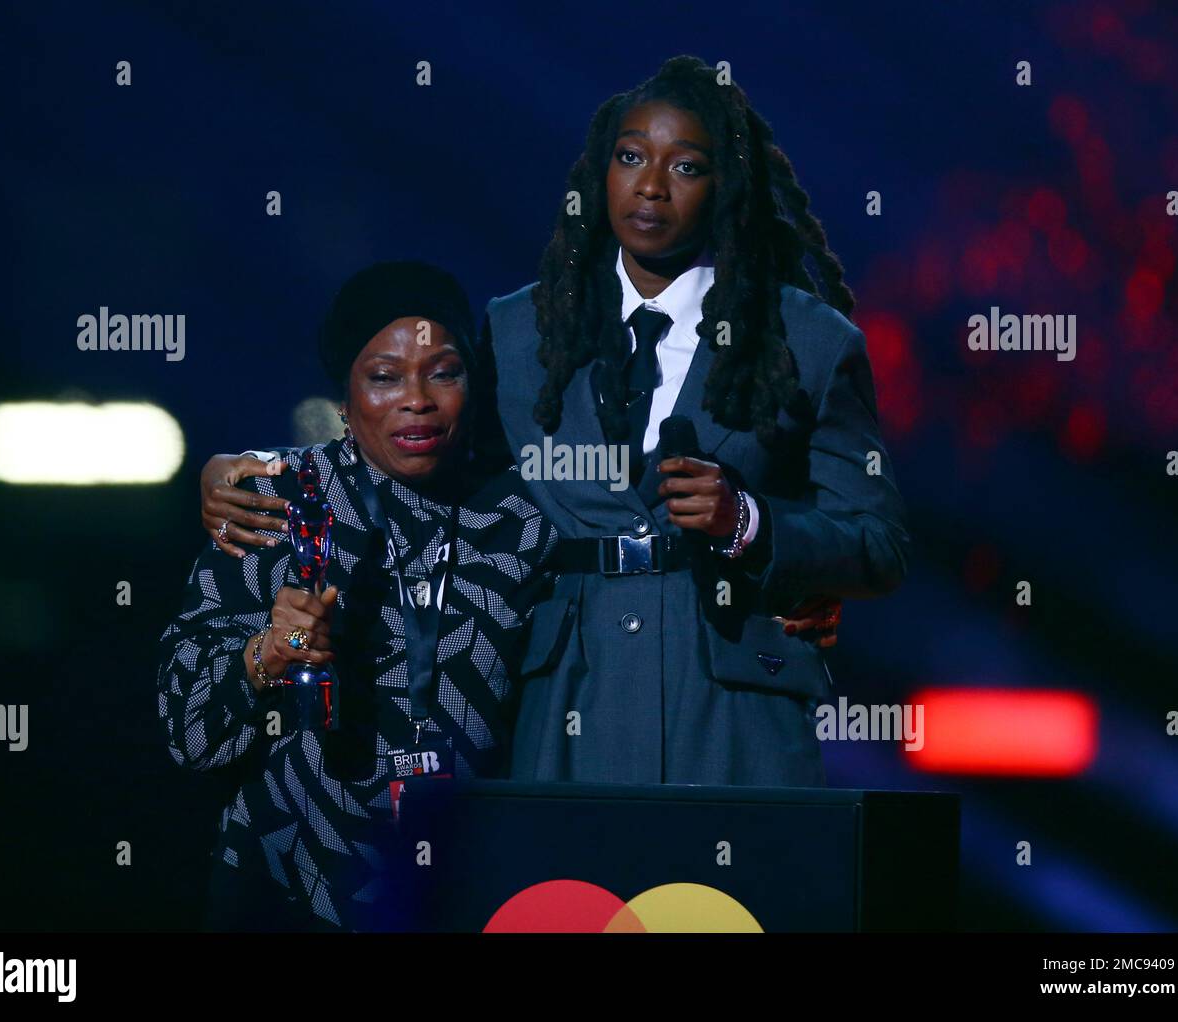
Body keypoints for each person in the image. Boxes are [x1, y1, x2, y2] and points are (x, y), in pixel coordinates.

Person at [200, 54, 903, 790]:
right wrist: (249, 467)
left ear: (727, 185)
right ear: (601, 173)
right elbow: (420, 464)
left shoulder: (809, 340)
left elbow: (878, 542)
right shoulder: (519, 332)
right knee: (577, 905)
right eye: (631, 157)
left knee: (718, 907)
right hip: (566, 699)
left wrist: (752, 527)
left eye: (686, 166)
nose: (652, 185)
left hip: (734, 716)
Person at [157, 261, 558, 931]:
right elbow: (186, 737)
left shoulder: (522, 520)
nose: (417, 399)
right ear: (344, 397)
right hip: (285, 890)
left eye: (444, 371)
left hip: (464, 890)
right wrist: (268, 654)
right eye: (384, 376)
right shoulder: (270, 504)